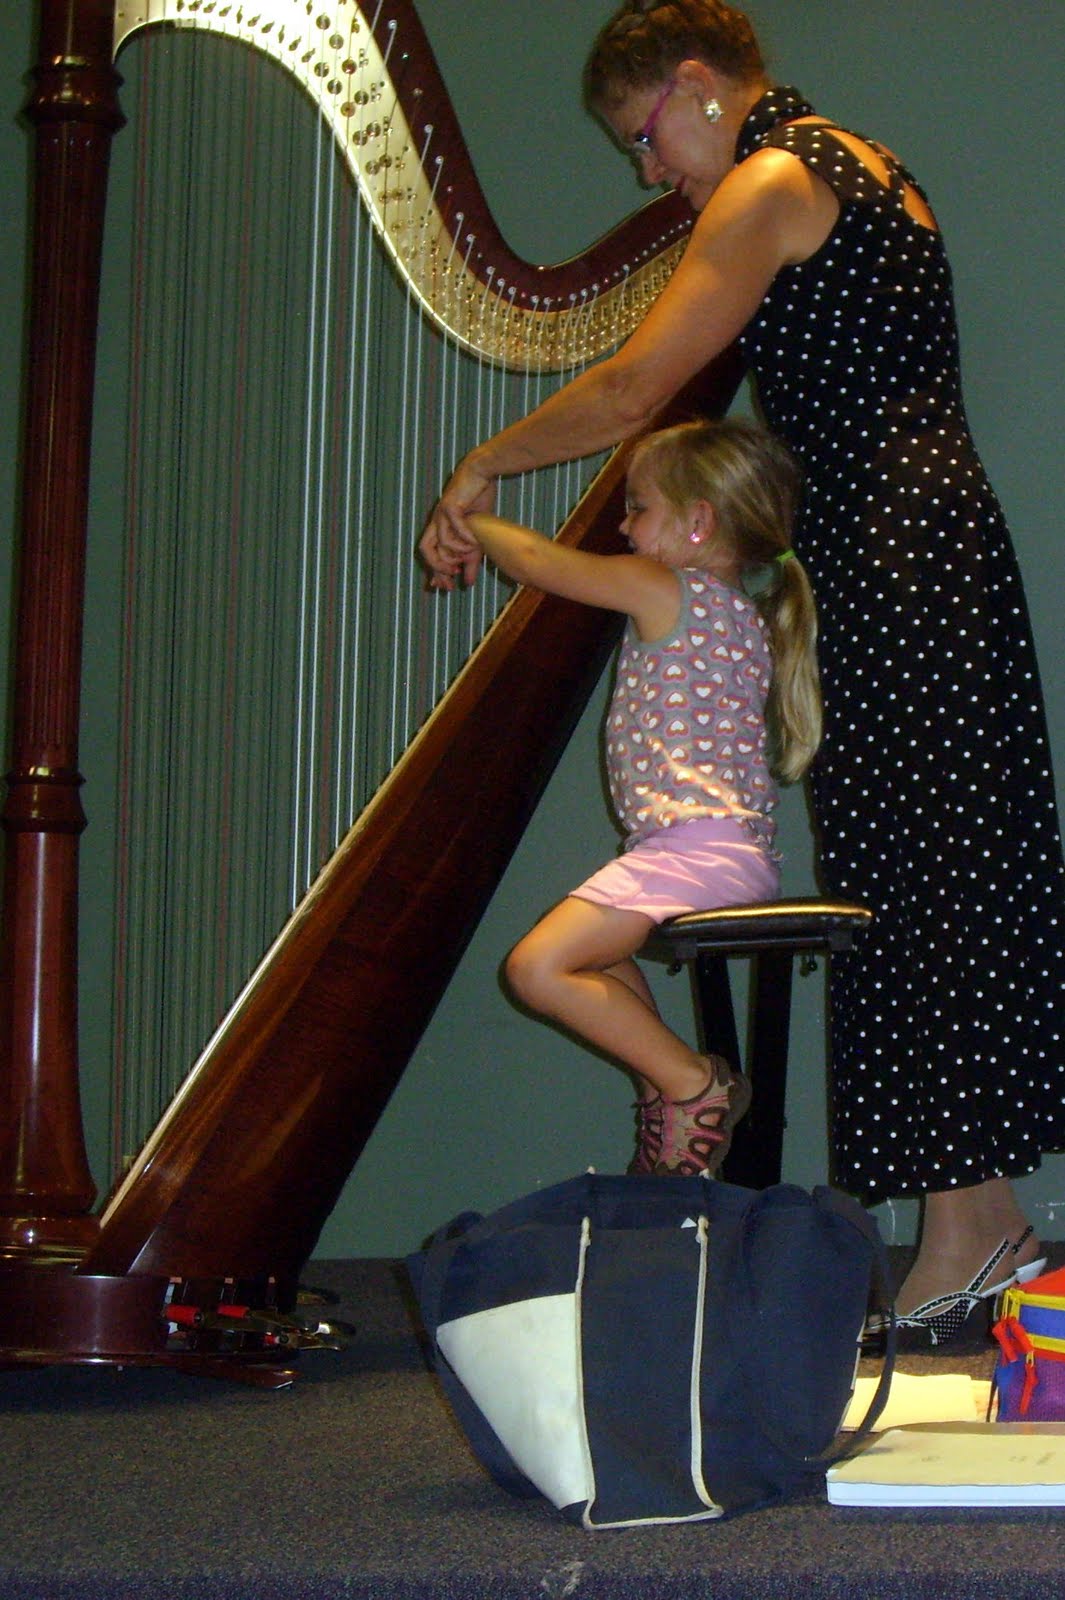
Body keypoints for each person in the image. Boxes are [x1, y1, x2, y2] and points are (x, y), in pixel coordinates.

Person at [420, 0, 1065, 1344]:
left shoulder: (774, 179)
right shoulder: (865, 163)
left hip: (889, 552)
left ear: (699, 86)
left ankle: (968, 1231)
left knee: (912, 877)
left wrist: (483, 471)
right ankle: (984, 1223)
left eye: (642, 137)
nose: (651, 173)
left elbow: (638, 384)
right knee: (943, 866)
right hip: (928, 536)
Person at [454, 417, 819, 1176]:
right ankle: (666, 1088)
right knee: (600, 960)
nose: (623, 526)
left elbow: (536, 562)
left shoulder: (666, 586)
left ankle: (692, 1083)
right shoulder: (737, 611)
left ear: (697, 523)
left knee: (536, 969)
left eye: (639, 507)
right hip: (708, 851)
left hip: (698, 849)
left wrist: (469, 516)